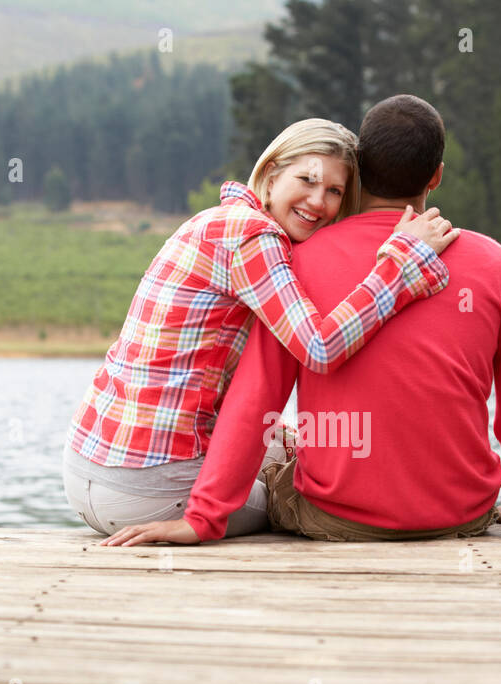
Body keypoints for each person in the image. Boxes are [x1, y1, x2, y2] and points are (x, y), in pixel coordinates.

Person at [103, 95, 501, 547]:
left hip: (336, 518)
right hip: (462, 513)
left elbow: (256, 397)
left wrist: (203, 518)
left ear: (359, 170)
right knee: (292, 439)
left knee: (284, 457)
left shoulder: (298, 261)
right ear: (436, 175)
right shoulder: (493, 263)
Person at [62, 117, 459, 538]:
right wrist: (403, 263)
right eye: (307, 179)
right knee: (303, 499)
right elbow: (319, 348)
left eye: (334, 192)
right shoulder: (256, 238)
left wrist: (293, 439)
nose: (317, 201)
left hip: (86, 468)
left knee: (289, 444)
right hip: (149, 490)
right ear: (271, 174)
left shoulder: (216, 220)